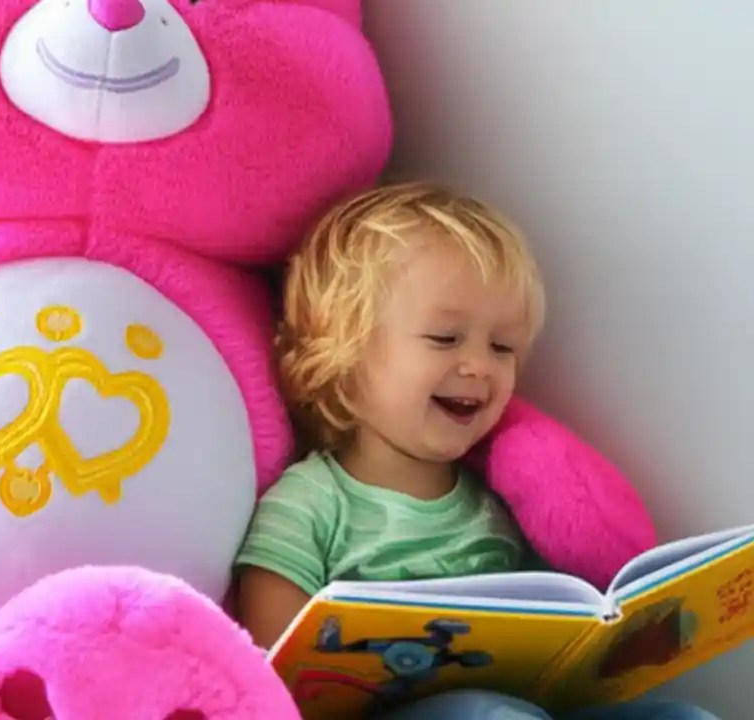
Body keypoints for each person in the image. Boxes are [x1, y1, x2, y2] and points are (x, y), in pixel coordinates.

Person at [234, 181, 718, 720]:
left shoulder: (492, 507)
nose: (480, 366)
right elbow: (272, 668)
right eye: (445, 338)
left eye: (503, 347)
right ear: (343, 353)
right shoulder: (311, 502)